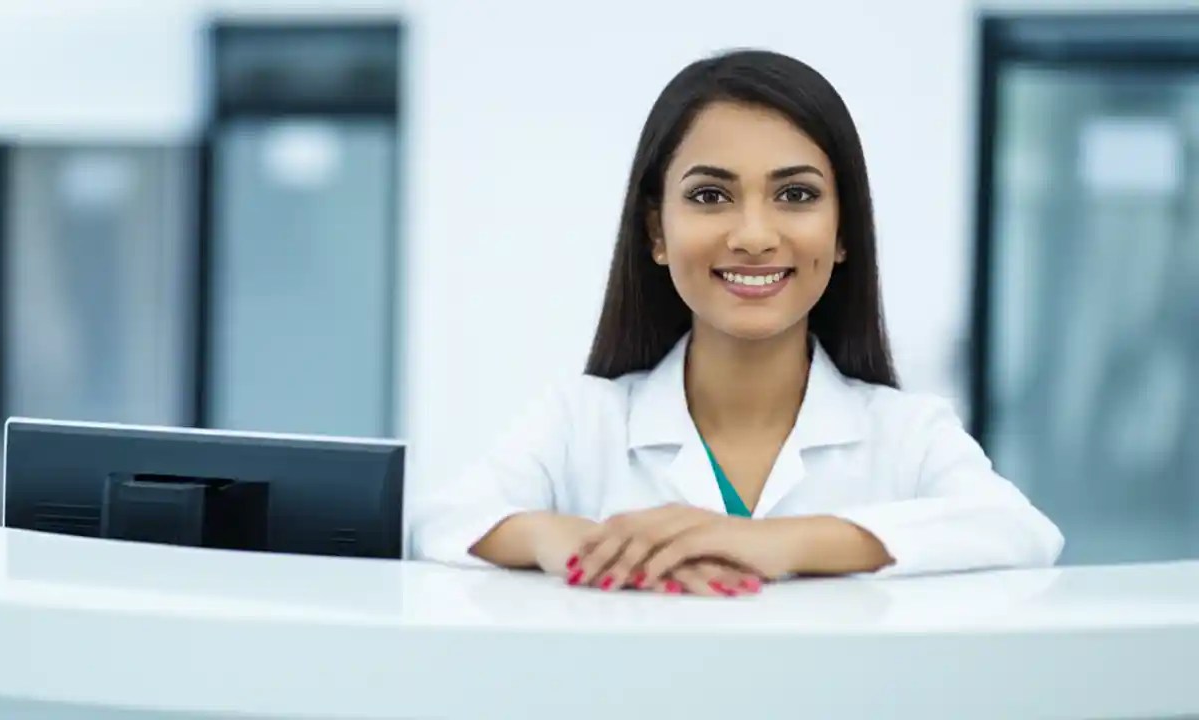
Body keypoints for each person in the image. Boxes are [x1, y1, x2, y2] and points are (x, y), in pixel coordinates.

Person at [410, 49, 1063, 596]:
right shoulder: (582, 419)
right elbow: (443, 523)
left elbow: (1021, 532)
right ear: (655, 232)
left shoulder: (908, 434)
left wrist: (773, 543)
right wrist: (580, 544)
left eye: (796, 195)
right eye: (710, 196)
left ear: (842, 235)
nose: (754, 235)